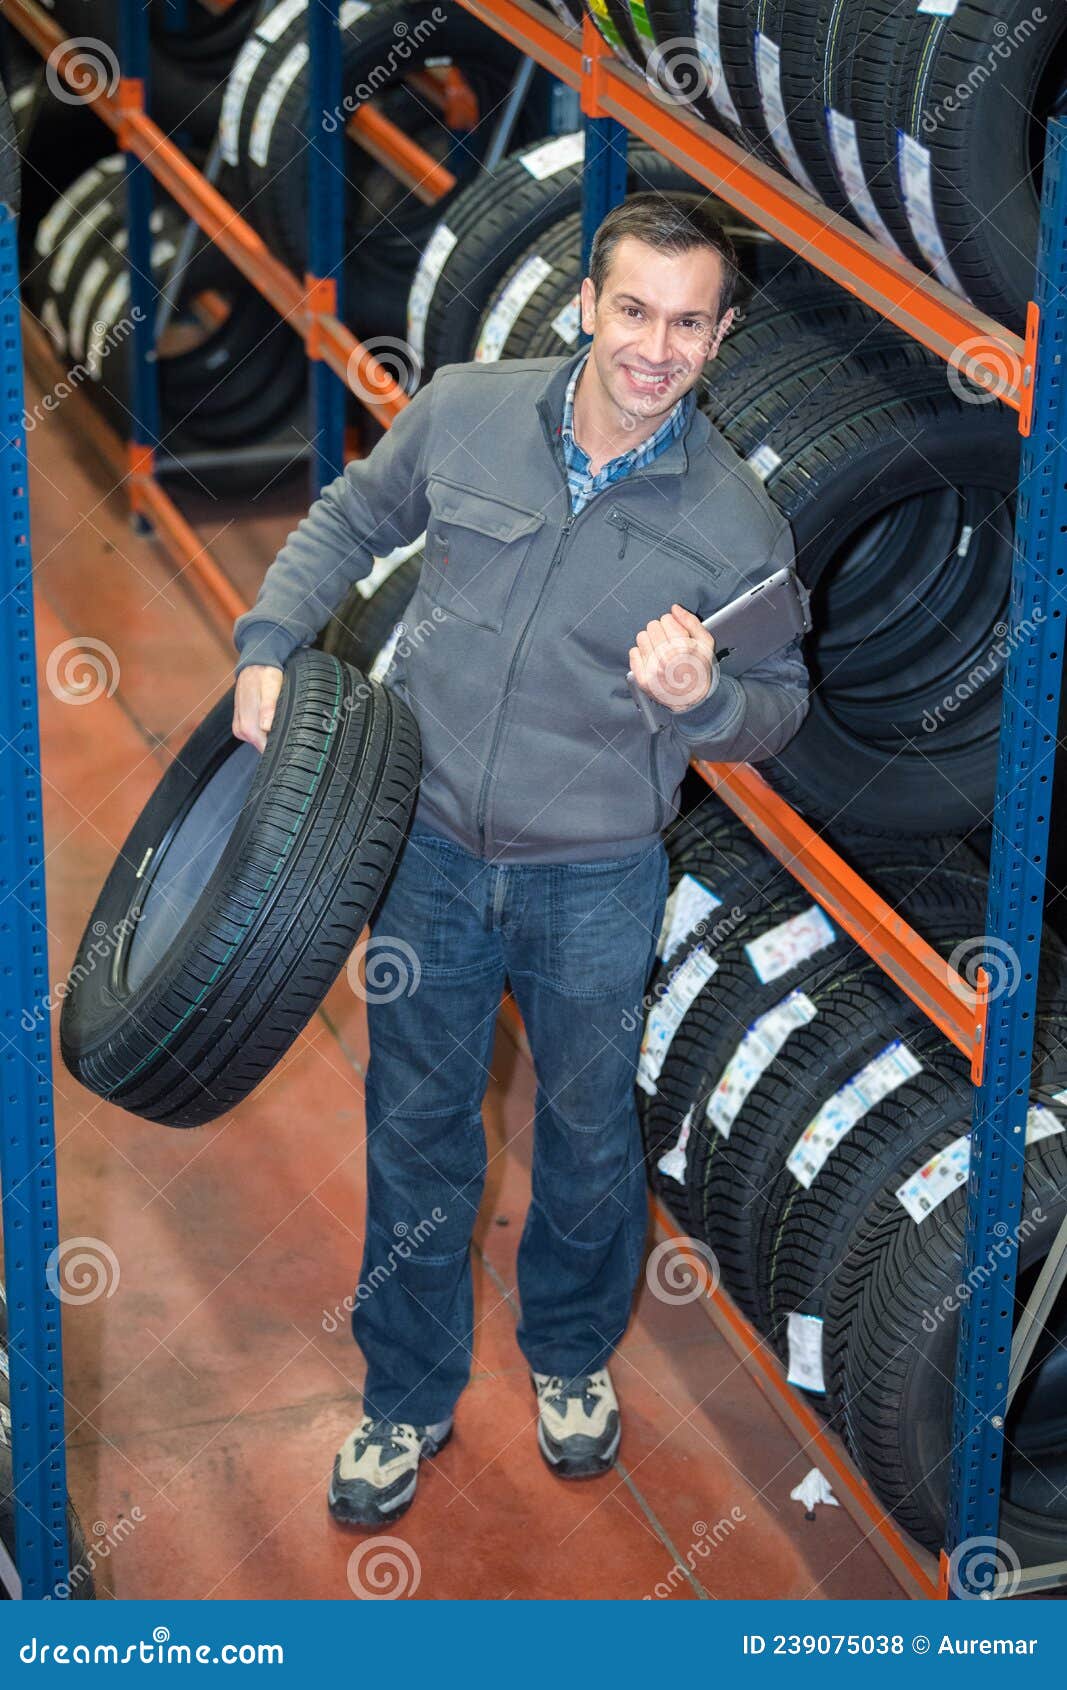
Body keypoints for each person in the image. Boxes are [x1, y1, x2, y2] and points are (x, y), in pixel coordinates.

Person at [231, 191, 811, 1529]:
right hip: (426, 848)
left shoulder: (738, 525)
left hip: (596, 876)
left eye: (688, 324)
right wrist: (268, 642)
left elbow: (782, 705)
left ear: (722, 335)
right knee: (416, 1125)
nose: (654, 349)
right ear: (587, 304)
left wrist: (707, 700)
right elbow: (350, 520)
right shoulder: (468, 411)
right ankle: (405, 1391)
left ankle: (569, 1354)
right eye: (633, 311)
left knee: (590, 1132)